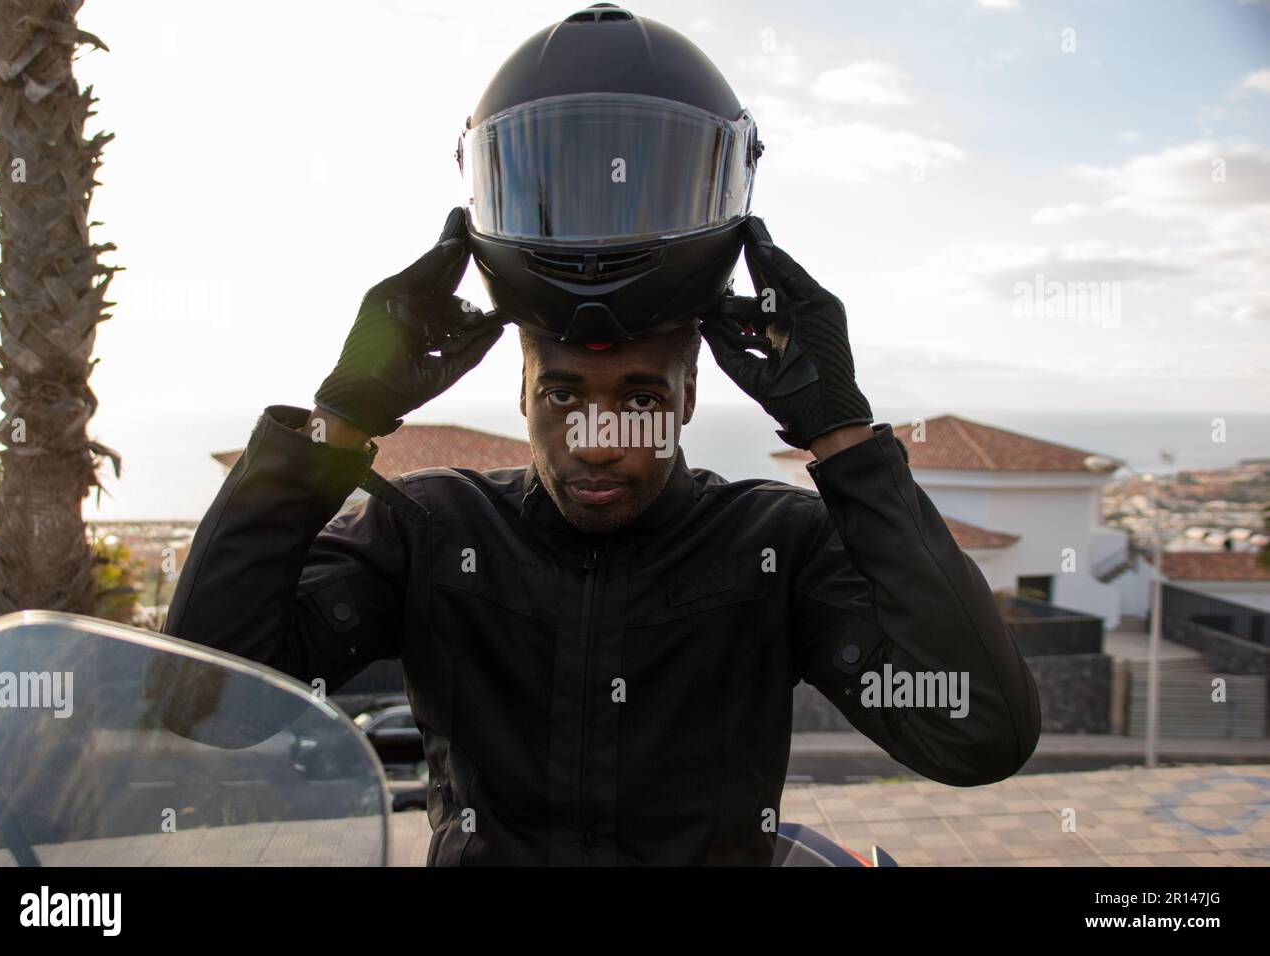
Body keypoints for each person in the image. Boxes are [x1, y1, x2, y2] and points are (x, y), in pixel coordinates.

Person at [165, 5, 1041, 866]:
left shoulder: (777, 546)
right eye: (561, 393)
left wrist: (844, 439)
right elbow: (203, 700)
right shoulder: (431, 530)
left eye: (640, 396)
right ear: (518, 390)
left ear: (692, 393)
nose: (596, 438)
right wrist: (340, 418)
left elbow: (977, 733)